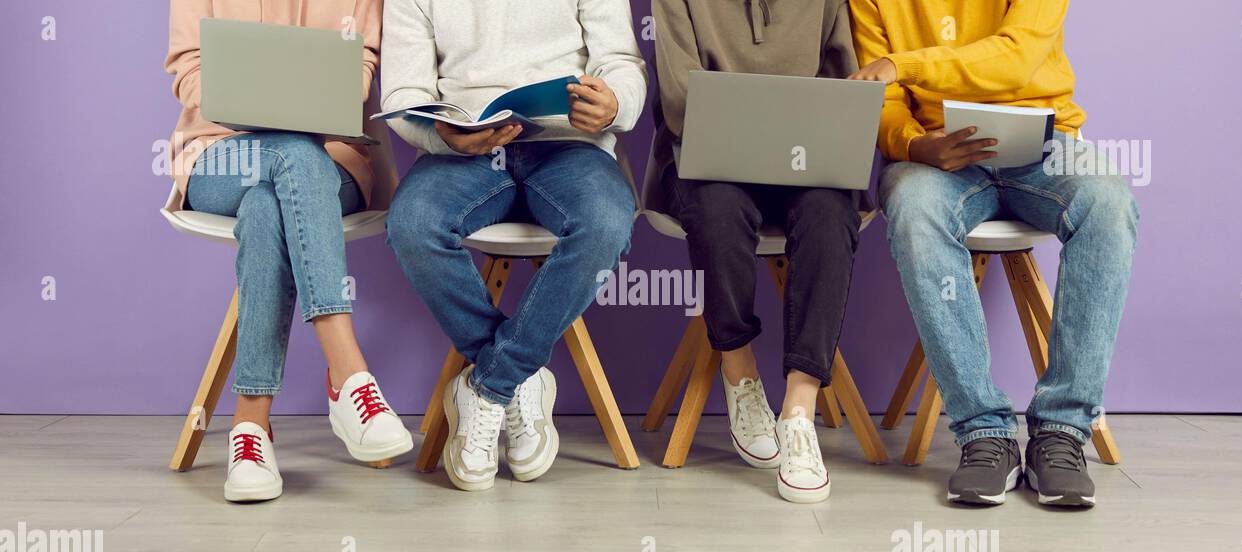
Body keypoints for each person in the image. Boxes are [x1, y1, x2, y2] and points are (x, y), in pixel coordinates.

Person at [849, 0, 1139, 507]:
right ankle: (984, 432)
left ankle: (1063, 430)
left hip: (1043, 144)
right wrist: (915, 145)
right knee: (915, 208)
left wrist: (906, 63)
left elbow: (1016, 58)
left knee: (1108, 201)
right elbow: (882, 98)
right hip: (939, 153)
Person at [381, 0, 647, 492]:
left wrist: (616, 103)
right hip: (465, 150)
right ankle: (520, 377)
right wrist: (445, 136)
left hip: (569, 143)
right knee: (413, 223)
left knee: (606, 222)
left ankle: (488, 385)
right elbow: (404, 92)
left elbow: (621, 64)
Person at [165, 0, 411, 503]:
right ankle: (347, 374)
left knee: (267, 203)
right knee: (289, 156)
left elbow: (361, 66)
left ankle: (251, 428)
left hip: (331, 161)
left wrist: (307, 107)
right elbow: (188, 67)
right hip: (221, 152)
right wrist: (255, 105)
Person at [648, 0, 863, 504]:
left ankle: (798, 410)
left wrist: (811, 132)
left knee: (831, 217)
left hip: (808, 157)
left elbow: (844, 84)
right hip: (712, 158)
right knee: (717, 214)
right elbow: (680, 99)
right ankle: (740, 372)